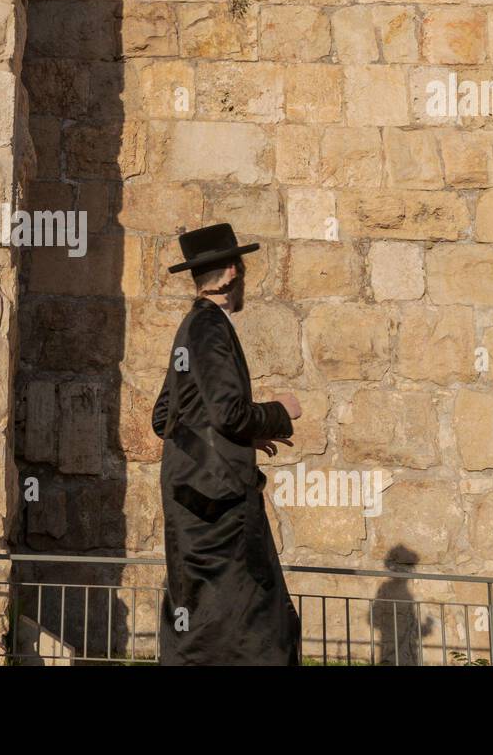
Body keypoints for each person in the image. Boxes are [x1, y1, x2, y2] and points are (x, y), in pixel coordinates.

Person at [151, 223, 304, 665]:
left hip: (188, 501)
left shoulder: (189, 328)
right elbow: (227, 413)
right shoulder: (212, 328)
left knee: (201, 619)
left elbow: (166, 419)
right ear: (235, 272)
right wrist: (278, 412)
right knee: (255, 622)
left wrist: (245, 439)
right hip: (220, 509)